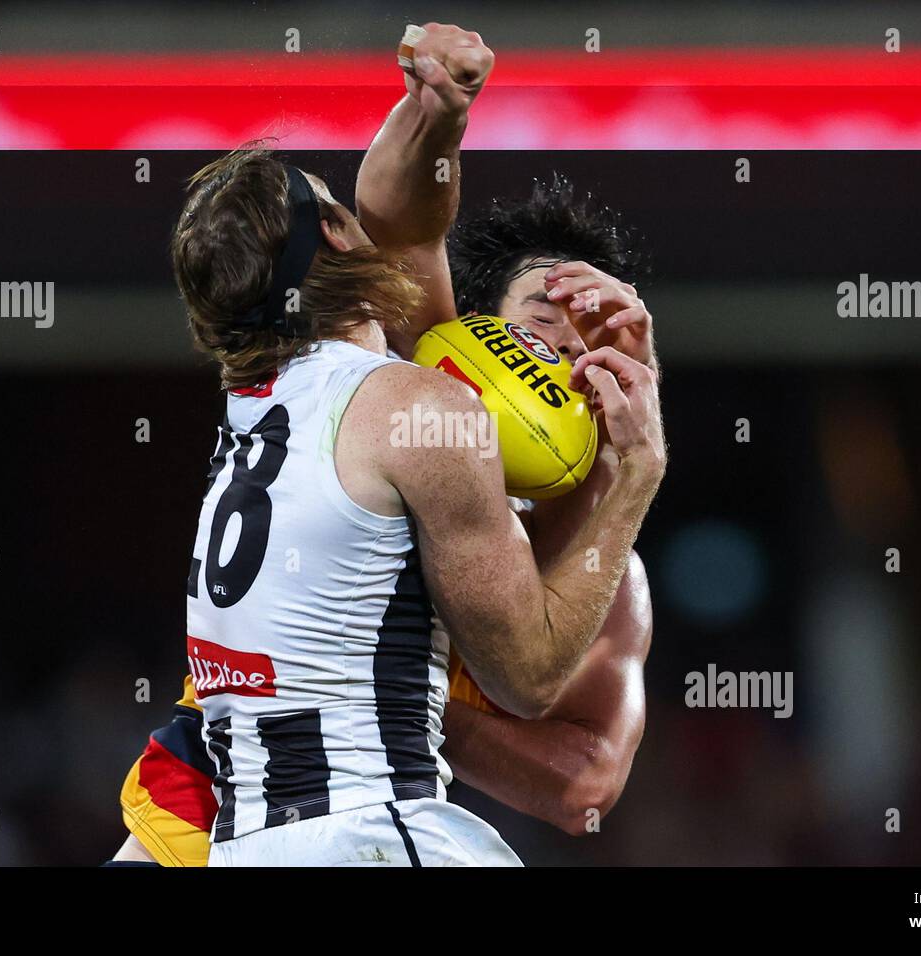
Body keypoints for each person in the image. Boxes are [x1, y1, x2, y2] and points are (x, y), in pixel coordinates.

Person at [112, 23, 666, 867]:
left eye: (591, 340)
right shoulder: (424, 390)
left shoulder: (606, 570)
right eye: (540, 324)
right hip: (218, 800)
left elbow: (583, 784)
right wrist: (438, 116)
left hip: (278, 811)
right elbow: (401, 221)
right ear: (471, 336)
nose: (563, 352)